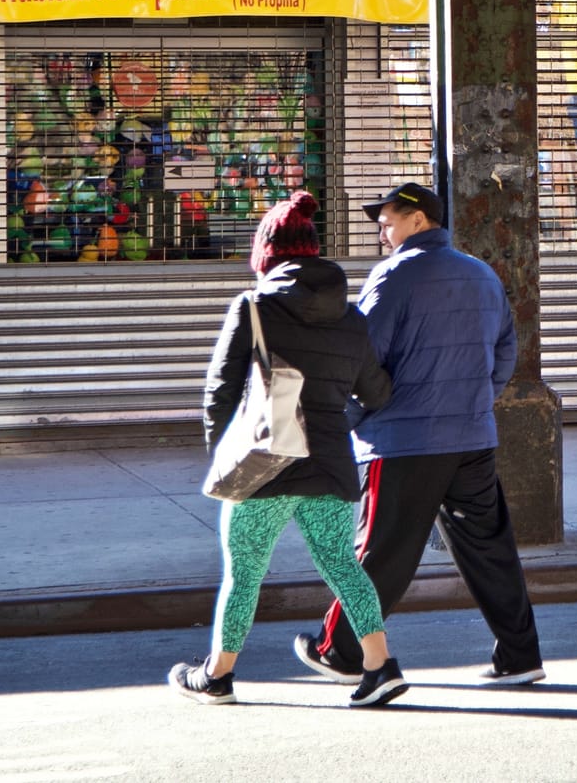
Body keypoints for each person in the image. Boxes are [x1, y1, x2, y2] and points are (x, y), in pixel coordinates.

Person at [295, 182, 545, 688]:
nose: (381, 232)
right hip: (471, 436)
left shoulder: (394, 277)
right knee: (489, 548)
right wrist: (473, 401)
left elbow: (361, 358)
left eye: (387, 221)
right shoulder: (482, 274)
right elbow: (504, 352)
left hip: (403, 440)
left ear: (418, 220)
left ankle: (339, 649)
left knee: (381, 551)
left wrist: (347, 419)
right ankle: (520, 655)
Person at [170, 191, 409, 709]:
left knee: (244, 574)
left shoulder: (254, 307)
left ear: (267, 254)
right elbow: (377, 393)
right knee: (344, 567)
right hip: (329, 465)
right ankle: (380, 666)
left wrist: (224, 457)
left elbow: (220, 392)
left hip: (264, 469)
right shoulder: (351, 318)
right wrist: (329, 414)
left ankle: (217, 675)